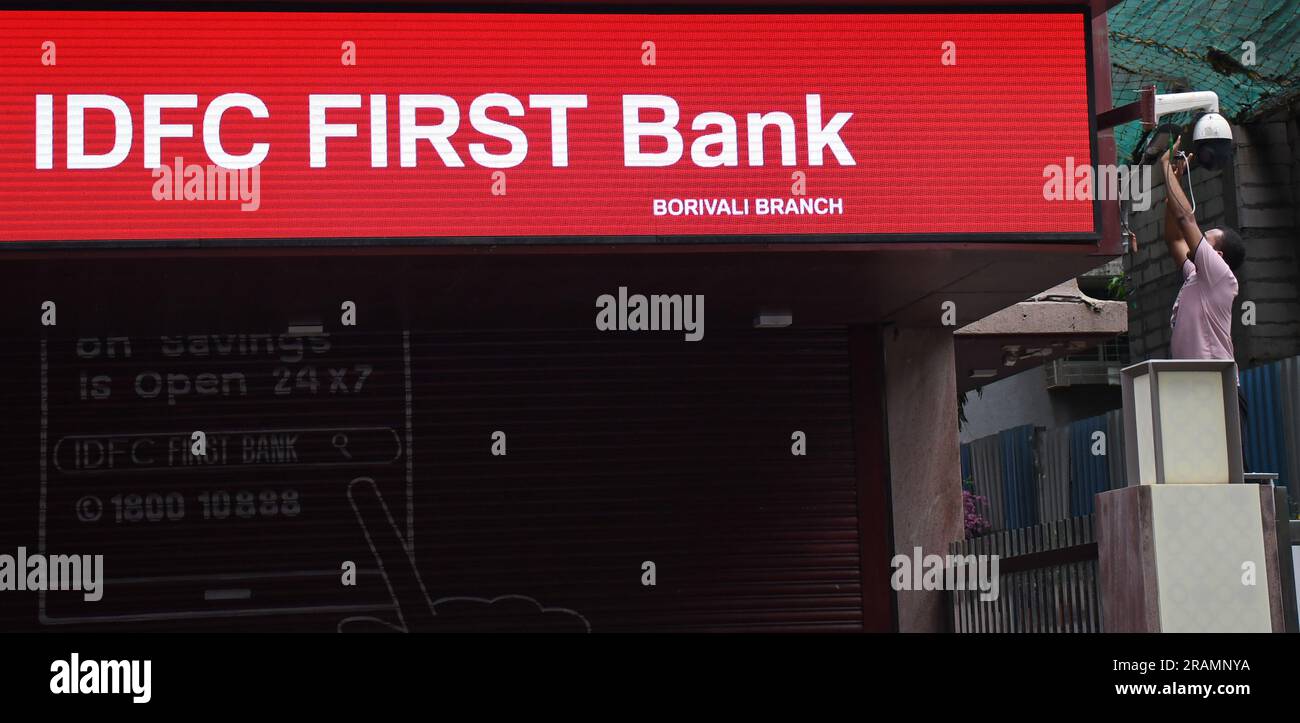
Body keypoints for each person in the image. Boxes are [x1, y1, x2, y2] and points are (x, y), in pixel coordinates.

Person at [1161, 141, 1249, 469]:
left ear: (1218, 257)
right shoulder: (1194, 276)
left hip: (1216, 386)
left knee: (1224, 470)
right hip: (1192, 385)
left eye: (1208, 237)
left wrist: (1164, 171)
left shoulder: (1220, 277)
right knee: (1196, 469)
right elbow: (1173, 236)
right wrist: (1174, 181)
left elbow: (1185, 218)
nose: (1200, 238)